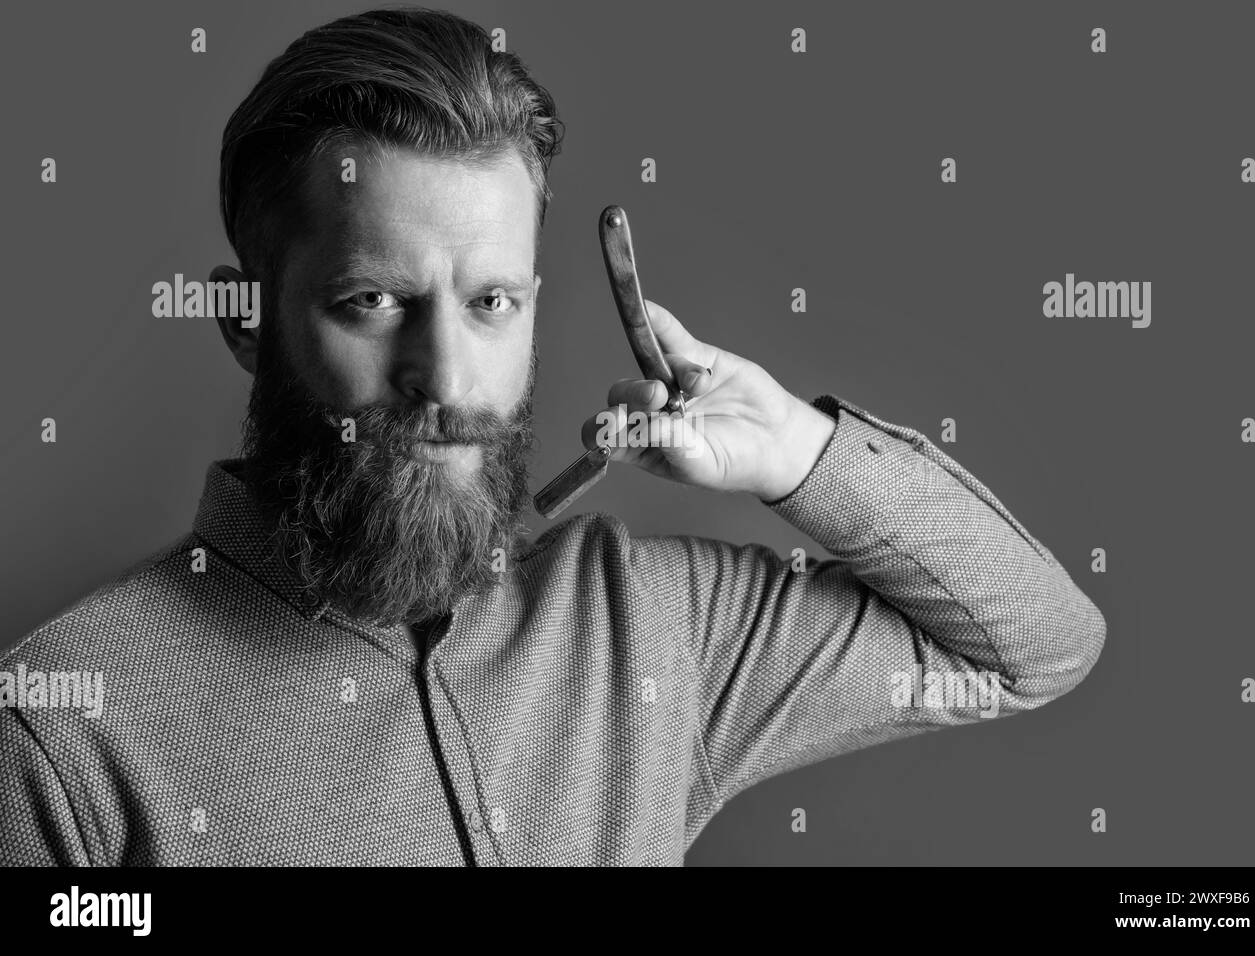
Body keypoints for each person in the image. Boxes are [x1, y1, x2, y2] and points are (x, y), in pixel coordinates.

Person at [0, 7, 1105, 866]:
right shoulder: (62, 731)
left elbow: (1034, 648)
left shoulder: (655, 634)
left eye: (491, 304)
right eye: (374, 300)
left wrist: (801, 454)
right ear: (248, 323)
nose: (445, 377)